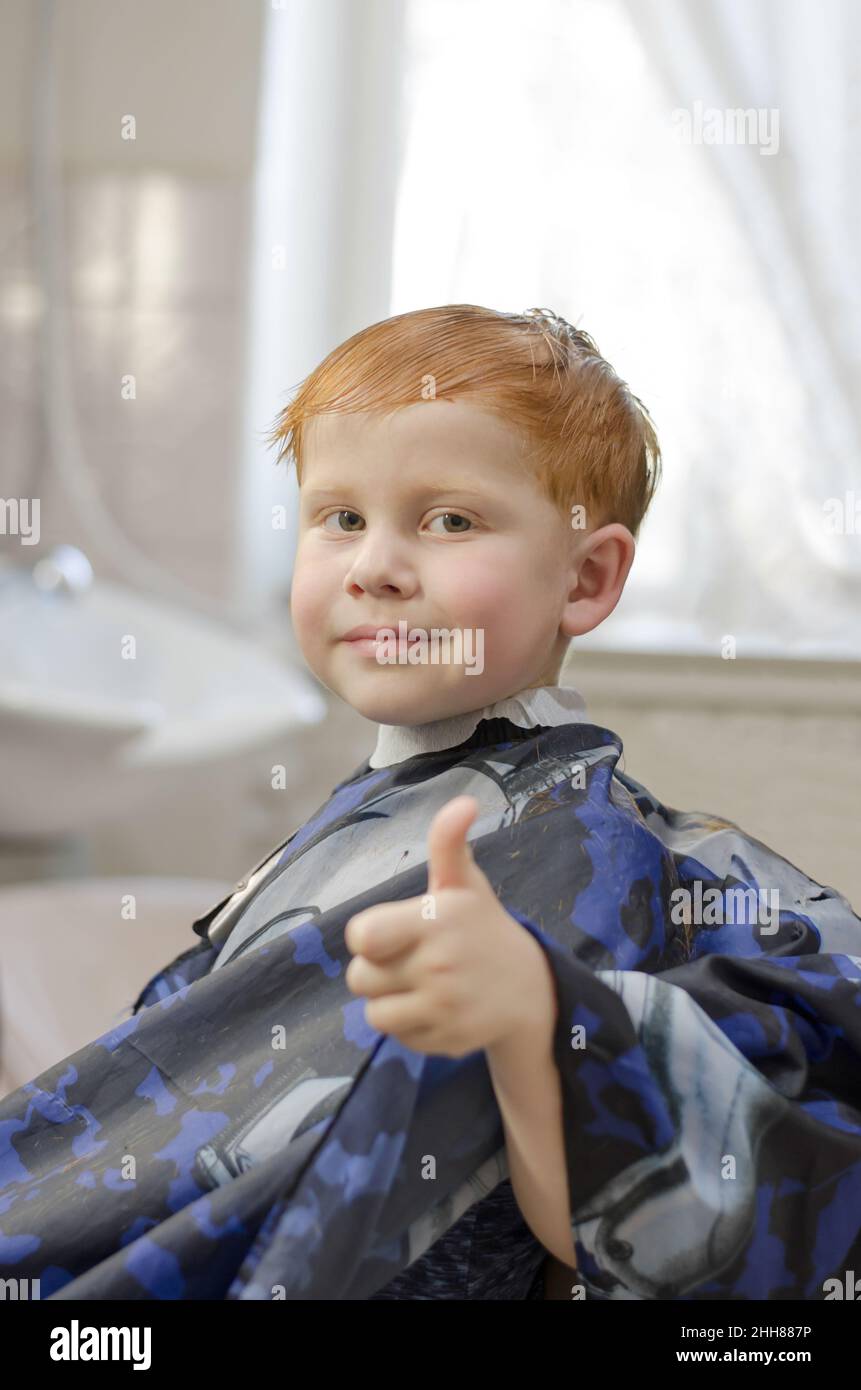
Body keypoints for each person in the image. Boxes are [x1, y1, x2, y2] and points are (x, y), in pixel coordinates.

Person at [2, 305, 859, 1301]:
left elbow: (589, 1241)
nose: (375, 567)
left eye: (449, 520)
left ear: (585, 577)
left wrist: (538, 1013)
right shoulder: (381, 810)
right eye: (341, 519)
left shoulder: (568, 854)